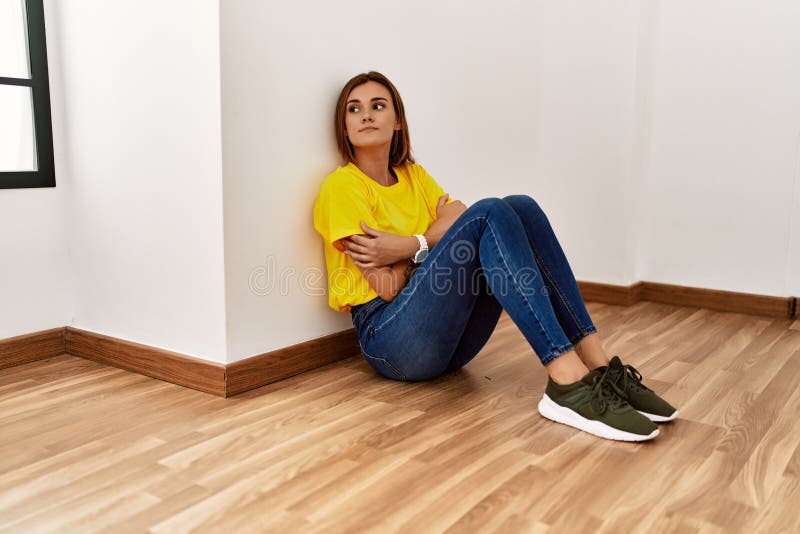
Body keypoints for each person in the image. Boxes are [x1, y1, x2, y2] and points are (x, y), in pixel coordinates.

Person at [313, 71, 677, 442]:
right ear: (344, 128)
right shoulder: (341, 188)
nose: (367, 115)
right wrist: (436, 241)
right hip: (391, 342)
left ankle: (598, 365)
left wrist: (408, 246)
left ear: (398, 122)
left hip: (450, 346)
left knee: (520, 207)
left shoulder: (414, 176)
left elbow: (456, 214)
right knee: (490, 213)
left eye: (378, 106)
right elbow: (389, 288)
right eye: (354, 109)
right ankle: (566, 378)